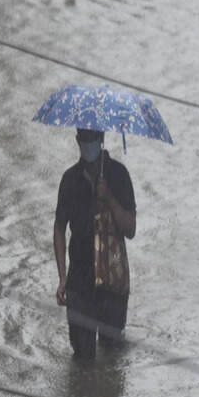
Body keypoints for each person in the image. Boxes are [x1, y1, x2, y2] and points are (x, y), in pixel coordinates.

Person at [54, 128, 136, 360]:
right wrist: (62, 277)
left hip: (113, 282)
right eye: (83, 139)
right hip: (79, 281)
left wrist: (108, 197)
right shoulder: (69, 179)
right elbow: (59, 228)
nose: (87, 144)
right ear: (77, 141)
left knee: (112, 356)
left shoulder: (119, 175)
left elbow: (130, 229)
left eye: (91, 139)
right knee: (82, 357)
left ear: (101, 139)